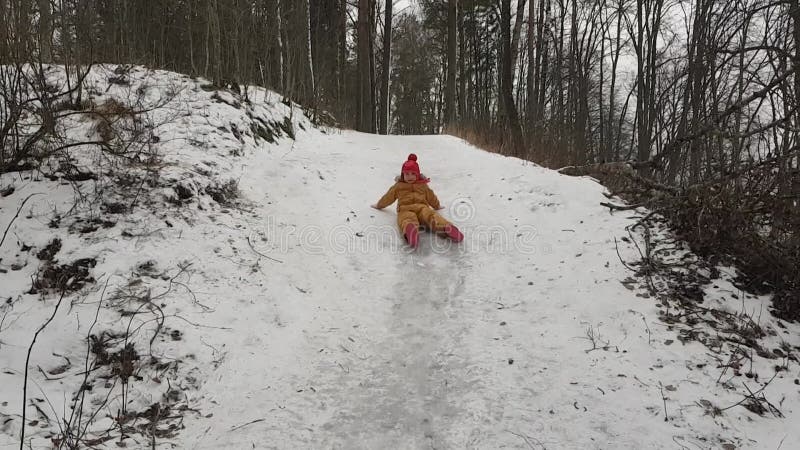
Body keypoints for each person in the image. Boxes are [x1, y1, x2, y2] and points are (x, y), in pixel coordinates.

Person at [371, 154, 464, 248]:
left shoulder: (422, 186)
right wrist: (379, 205)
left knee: (431, 216)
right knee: (406, 219)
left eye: (413, 174)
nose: (410, 177)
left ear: (418, 174)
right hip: (405, 209)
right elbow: (388, 197)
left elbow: (431, 196)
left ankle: (446, 228)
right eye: (407, 174)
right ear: (403, 175)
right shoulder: (398, 186)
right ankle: (411, 232)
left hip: (422, 207)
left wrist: (437, 206)